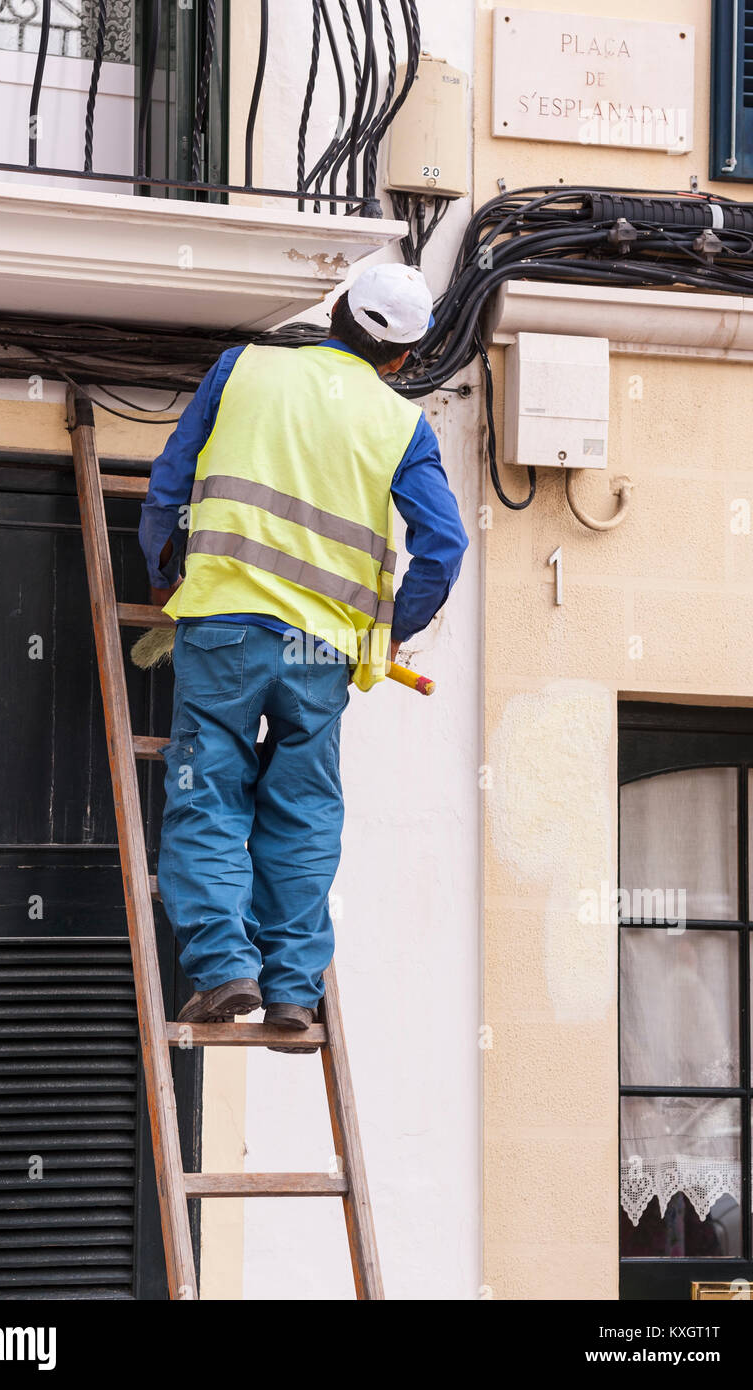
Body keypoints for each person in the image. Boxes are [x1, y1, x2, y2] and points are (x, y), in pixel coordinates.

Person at [139, 262, 468, 1049]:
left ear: (335, 311)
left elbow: (170, 479)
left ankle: (224, 967)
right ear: (402, 359)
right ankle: (291, 990)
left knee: (207, 789)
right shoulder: (401, 425)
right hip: (318, 650)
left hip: (221, 623)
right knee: (303, 811)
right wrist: (386, 634)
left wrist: (163, 569)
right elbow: (444, 546)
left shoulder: (244, 368)